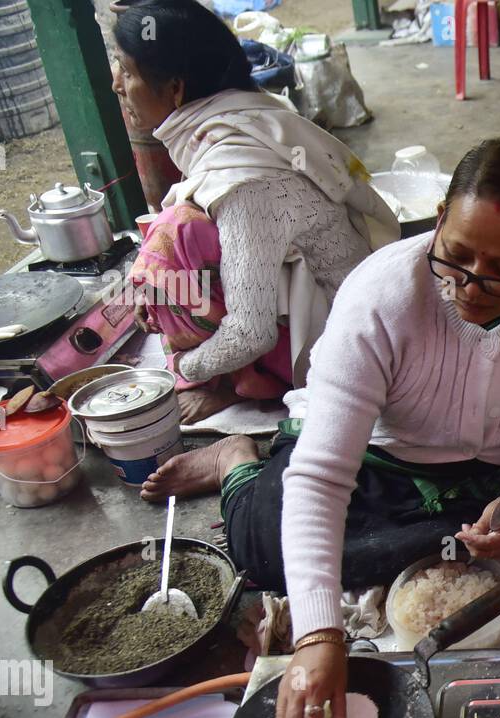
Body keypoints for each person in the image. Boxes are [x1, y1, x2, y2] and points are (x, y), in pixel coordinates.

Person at [146, 139, 500, 718]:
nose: (471, 290)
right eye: (454, 257)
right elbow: (324, 478)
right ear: (436, 223)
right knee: (268, 549)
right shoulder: (380, 296)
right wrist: (318, 637)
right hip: (382, 459)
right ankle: (235, 458)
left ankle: (489, 519)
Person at [111, 0, 398, 428]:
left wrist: (181, 370)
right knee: (169, 244)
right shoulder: (250, 117)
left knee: (175, 234)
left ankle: (235, 384)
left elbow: (251, 333)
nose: (116, 84)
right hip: (337, 312)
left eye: (128, 71)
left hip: (342, 349)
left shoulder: (245, 183)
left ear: (175, 88)